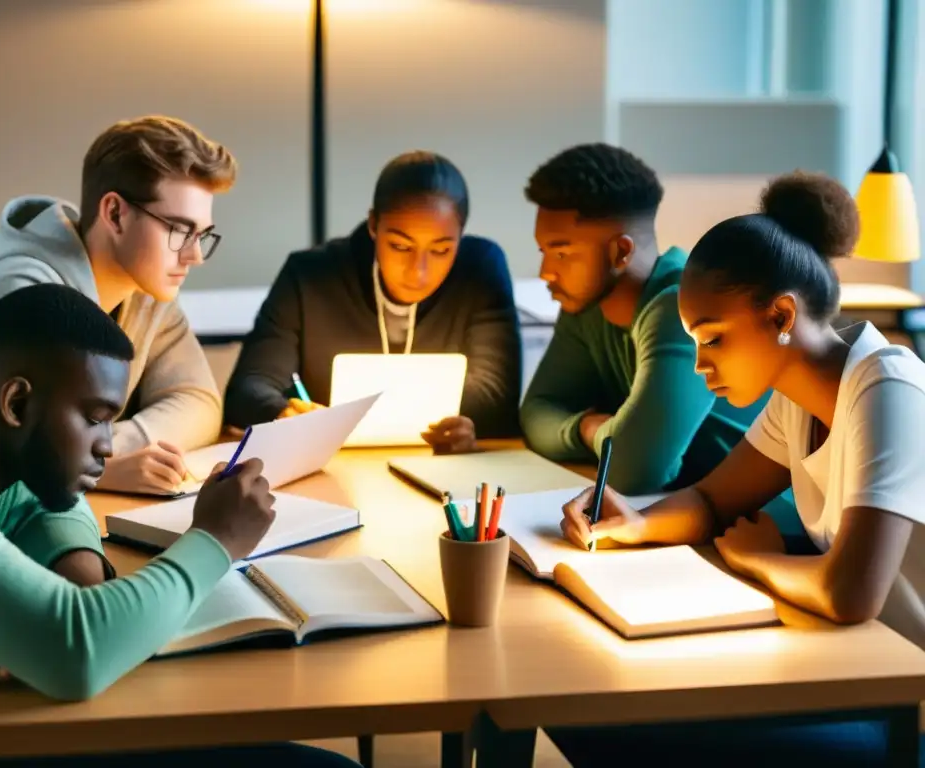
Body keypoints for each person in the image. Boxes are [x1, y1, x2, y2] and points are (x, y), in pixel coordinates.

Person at [552, 172, 925, 766]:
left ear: (781, 316)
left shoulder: (888, 385)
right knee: (584, 709)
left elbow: (852, 593)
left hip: (904, 702)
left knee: (607, 723)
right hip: (856, 668)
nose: (700, 365)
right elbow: (710, 502)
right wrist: (637, 522)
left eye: (714, 339)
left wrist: (755, 559)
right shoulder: (794, 397)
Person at [0, 284, 358, 768]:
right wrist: (215, 539)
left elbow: (38, 500)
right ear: (15, 404)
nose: (107, 446)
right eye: (95, 418)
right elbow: (75, 652)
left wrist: (74, 575)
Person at [0, 116, 232, 496]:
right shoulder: (22, 296)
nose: (195, 255)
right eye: (179, 230)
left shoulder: (148, 292)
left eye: (201, 234)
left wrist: (99, 453)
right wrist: (102, 470)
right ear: (115, 213)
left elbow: (198, 402)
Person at [223, 150, 522, 454]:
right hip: (332, 466)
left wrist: (465, 423)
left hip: (439, 464)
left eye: (441, 250)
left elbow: (498, 397)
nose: (418, 271)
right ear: (373, 225)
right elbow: (250, 387)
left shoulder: (479, 269)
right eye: (400, 246)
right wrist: (282, 413)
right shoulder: (311, 275)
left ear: (461, 235)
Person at [519, 143, 771, 495]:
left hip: (761, 523)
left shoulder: (683, 308)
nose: (546, 272)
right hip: (676, 510)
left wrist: (598, 436)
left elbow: (633, 470)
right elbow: (535, 414)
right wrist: (590, 428)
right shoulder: (584, 307)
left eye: (562, 253)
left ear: (620, 251)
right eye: (544, 251)